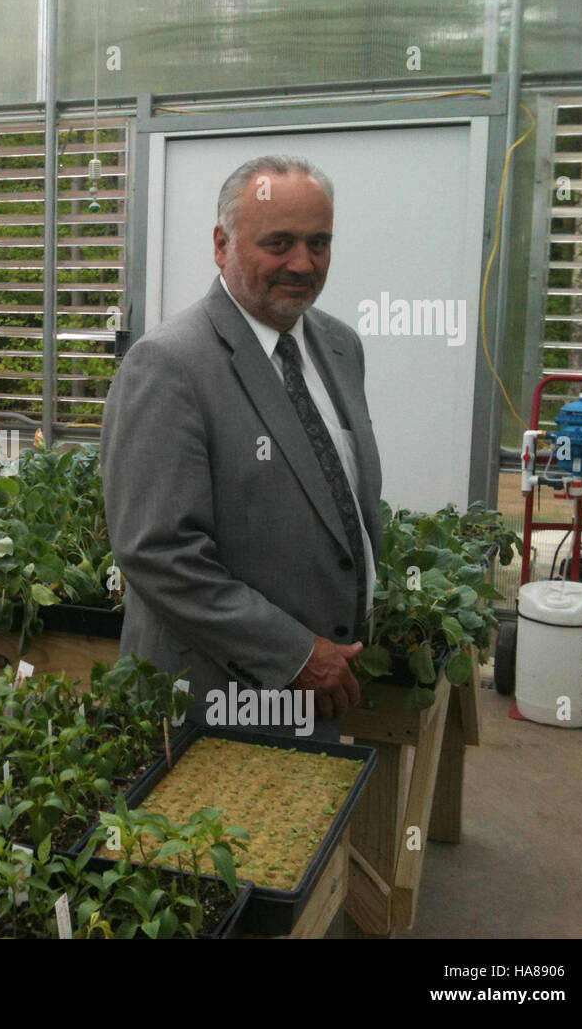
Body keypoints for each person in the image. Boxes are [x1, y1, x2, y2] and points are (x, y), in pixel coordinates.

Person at [100, 155, 382, 741]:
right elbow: (158, 551)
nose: (302, 263)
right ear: (221, 244)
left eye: (318, 242)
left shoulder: (338, 346)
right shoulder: (170, 364)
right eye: (278, 243)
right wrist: (297, 653)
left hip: (322, 688)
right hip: (216, 701)